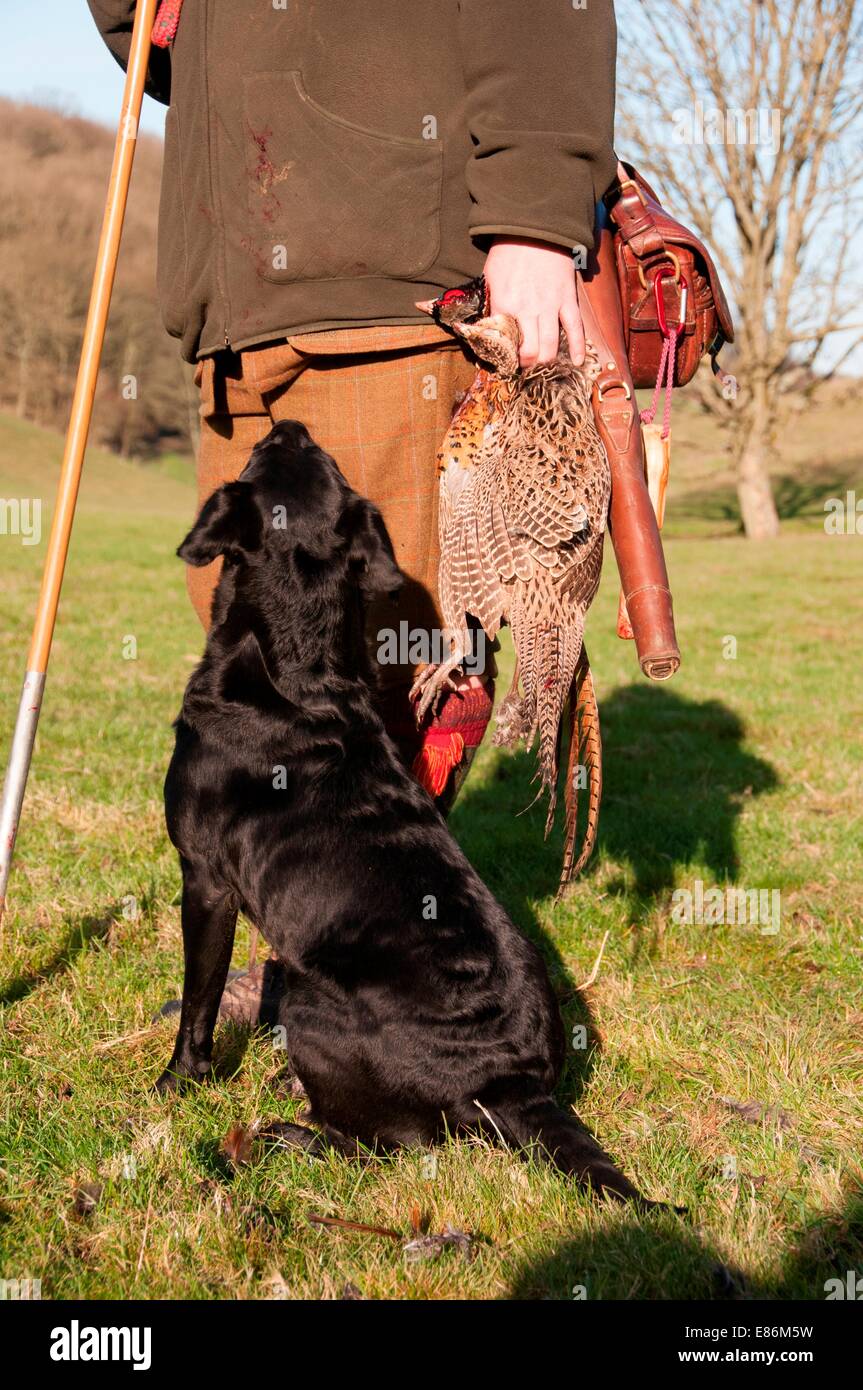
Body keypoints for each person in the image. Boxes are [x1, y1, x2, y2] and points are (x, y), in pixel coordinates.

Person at [89, 0, 617, 809]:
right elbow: (160, 55)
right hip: (234, 306)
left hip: (390, 283)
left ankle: (385, 915)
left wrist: (535, 220)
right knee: (254, 667)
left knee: (397, 662)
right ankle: (315, 915)